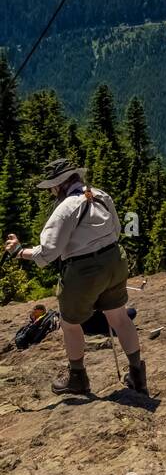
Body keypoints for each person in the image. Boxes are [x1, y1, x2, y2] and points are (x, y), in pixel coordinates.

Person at [3, 158, 147, 397]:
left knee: (70, 323)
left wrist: (19, 251)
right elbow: (117, 230)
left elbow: (49, 252)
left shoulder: (65, 208)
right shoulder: (100, 195)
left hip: (84, 270)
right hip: (114, 259)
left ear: (60, 185)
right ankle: (137, 375)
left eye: (51, 187)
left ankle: (77, 377)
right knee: (119, 317)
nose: (50, 192)